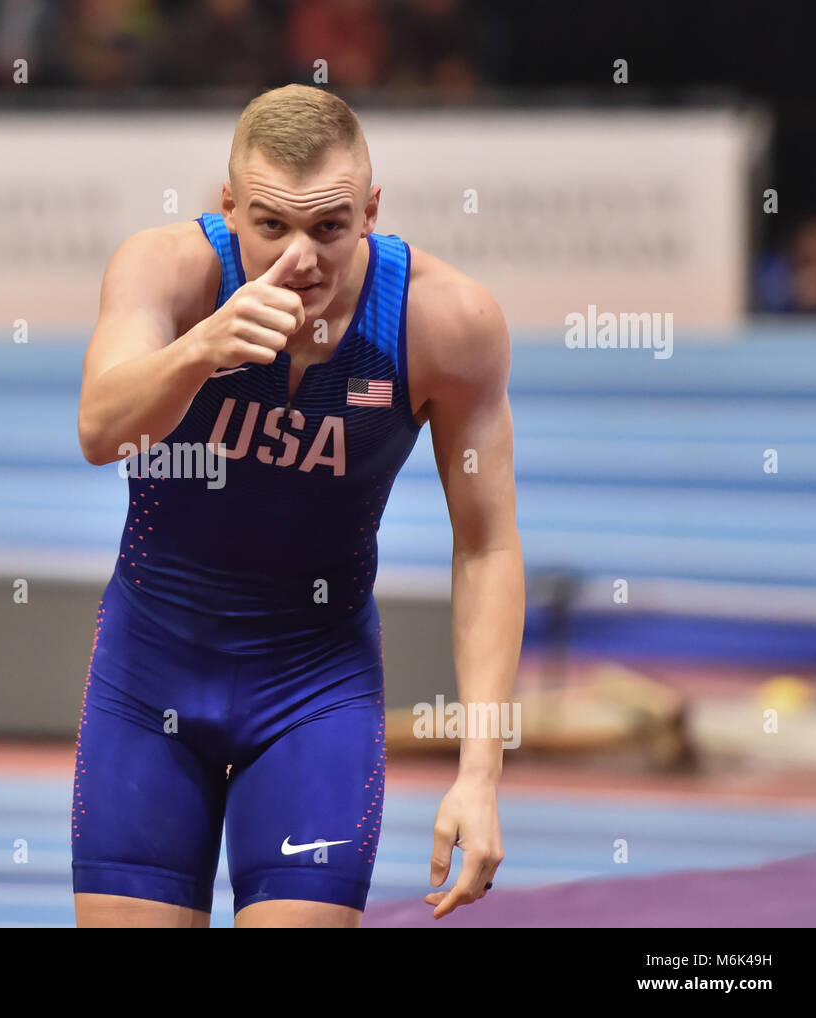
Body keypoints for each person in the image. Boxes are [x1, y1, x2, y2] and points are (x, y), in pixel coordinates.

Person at [73, 83, 523, 928]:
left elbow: (488, 545)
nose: (300, 259)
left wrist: (480, 771)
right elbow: (100, 429)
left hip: (313, 691)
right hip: (148, 676)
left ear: (371, 211)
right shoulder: (168, 273)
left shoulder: (444, 323)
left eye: (329, 227)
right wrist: (202, 347)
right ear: (229, 206)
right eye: (271, 227)